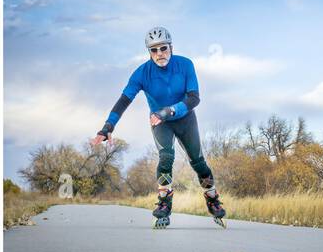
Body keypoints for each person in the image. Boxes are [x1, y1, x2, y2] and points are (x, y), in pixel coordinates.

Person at [92, 27, 227, 225]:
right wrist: (107, 127)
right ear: (149, 52)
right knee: (166, 157)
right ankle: (164, 203)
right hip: (159, 122)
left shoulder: (185, 65)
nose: (159, 54)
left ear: (171, 47)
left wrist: (170, 111)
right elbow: (124, 100)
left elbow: (194, 98)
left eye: (163, 48)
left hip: (185, 118)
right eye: (153, 50)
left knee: (198, 162)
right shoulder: (142, 73)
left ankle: (212, 199)